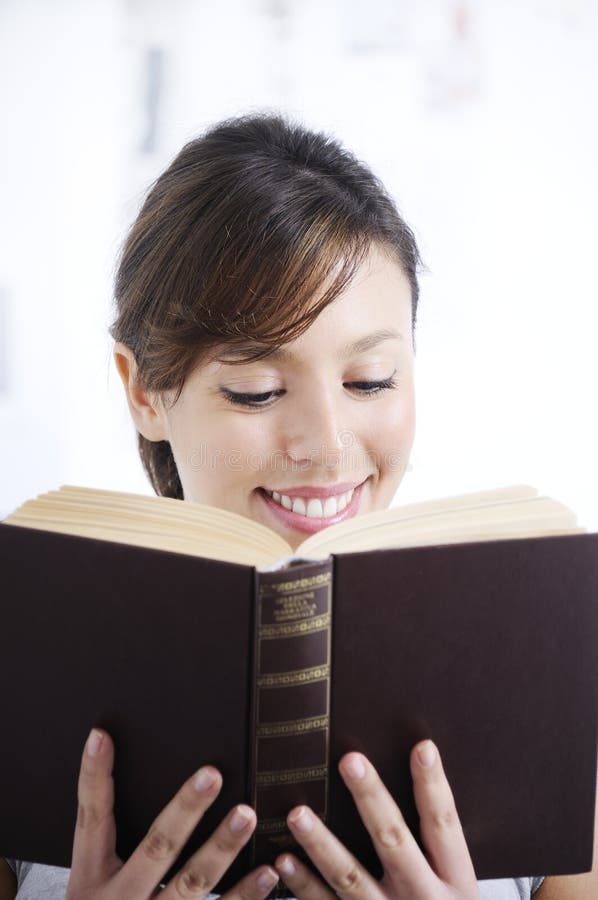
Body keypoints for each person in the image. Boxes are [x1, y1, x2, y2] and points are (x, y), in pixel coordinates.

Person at [2, 112, 596, 900]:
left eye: (371, 380)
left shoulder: (543, 694)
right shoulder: (20, 693)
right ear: (144, 390)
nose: (326, 444)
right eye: (258, 390)